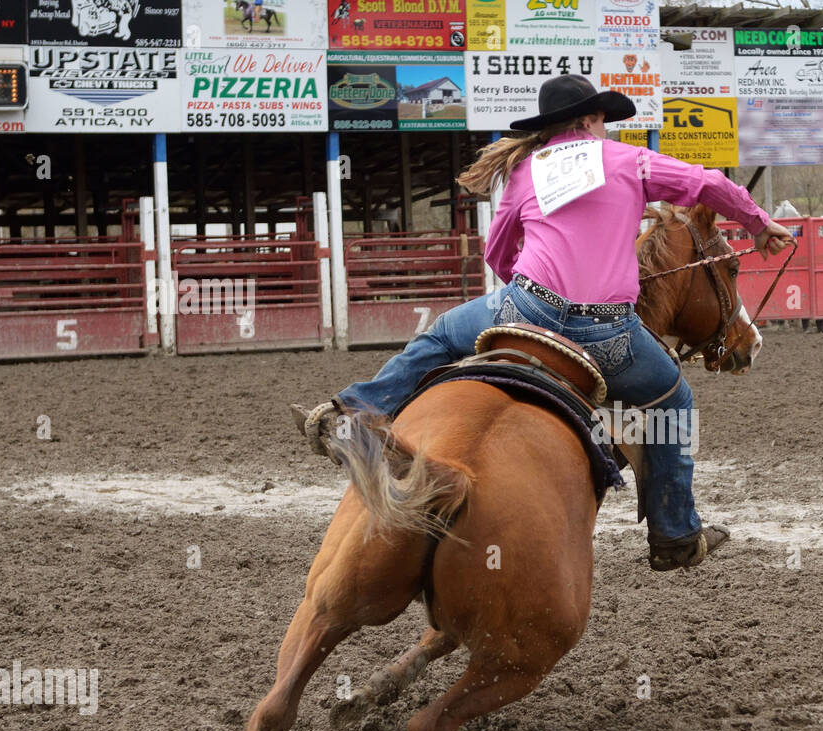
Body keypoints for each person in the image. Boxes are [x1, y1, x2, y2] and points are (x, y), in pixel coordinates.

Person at [294, 75, 794, 571]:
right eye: (602, 118)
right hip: (608, 332)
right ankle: (675, 533)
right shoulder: (630, 161)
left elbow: (497, 252)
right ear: (587, 120)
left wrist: (530, 287)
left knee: (442, 335)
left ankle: (351, 411)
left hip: (526, 309)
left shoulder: (526, 171)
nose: (606, 128)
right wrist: (757, 221)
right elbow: (707, 183)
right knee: (675, 400)